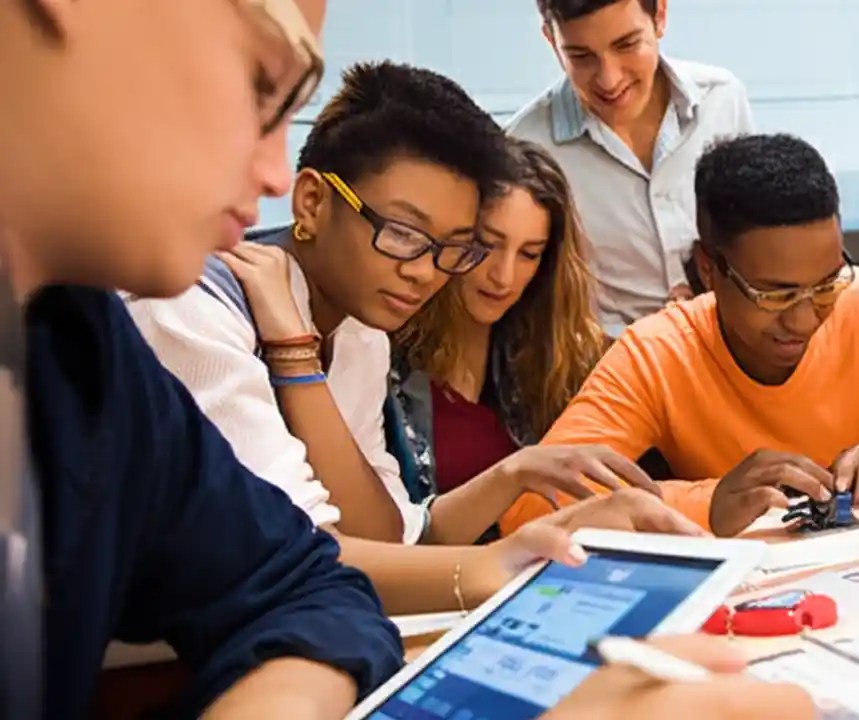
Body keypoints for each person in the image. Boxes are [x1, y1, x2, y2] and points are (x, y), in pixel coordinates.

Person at [127, 61, 693, 614]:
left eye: (453, 247)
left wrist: (522, 483)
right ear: (312, 202)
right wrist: (509, 557)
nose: (426, 272)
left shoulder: (362, 330)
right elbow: (288, 563)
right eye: (402, 233)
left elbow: (386, 535)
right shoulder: (190, 307)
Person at [2, 1, 404, 716]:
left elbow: (309, 583)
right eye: (262, 84)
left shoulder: (83, 351)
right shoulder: (160, 317)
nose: (277, 174)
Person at [499, 134, 859, 538]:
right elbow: (526, 508)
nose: (806, 318)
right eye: (775, 295)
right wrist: (709, 502)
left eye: (827, 283)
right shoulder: (655, 354)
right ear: (710, 268)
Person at [390, 138, 609, 542]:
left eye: (529, 254)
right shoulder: (382, 357)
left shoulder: (556, 358)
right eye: (487, 245)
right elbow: (389, 536)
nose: (504, 276)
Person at [508, 0, 754, 333]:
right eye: (580, 56)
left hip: (728, 352)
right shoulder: (527, 147)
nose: (609, 80)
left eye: (626, 45)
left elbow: (754, 236)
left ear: (661, 15)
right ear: (552, 42)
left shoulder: (722, 100)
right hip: (608, 370)